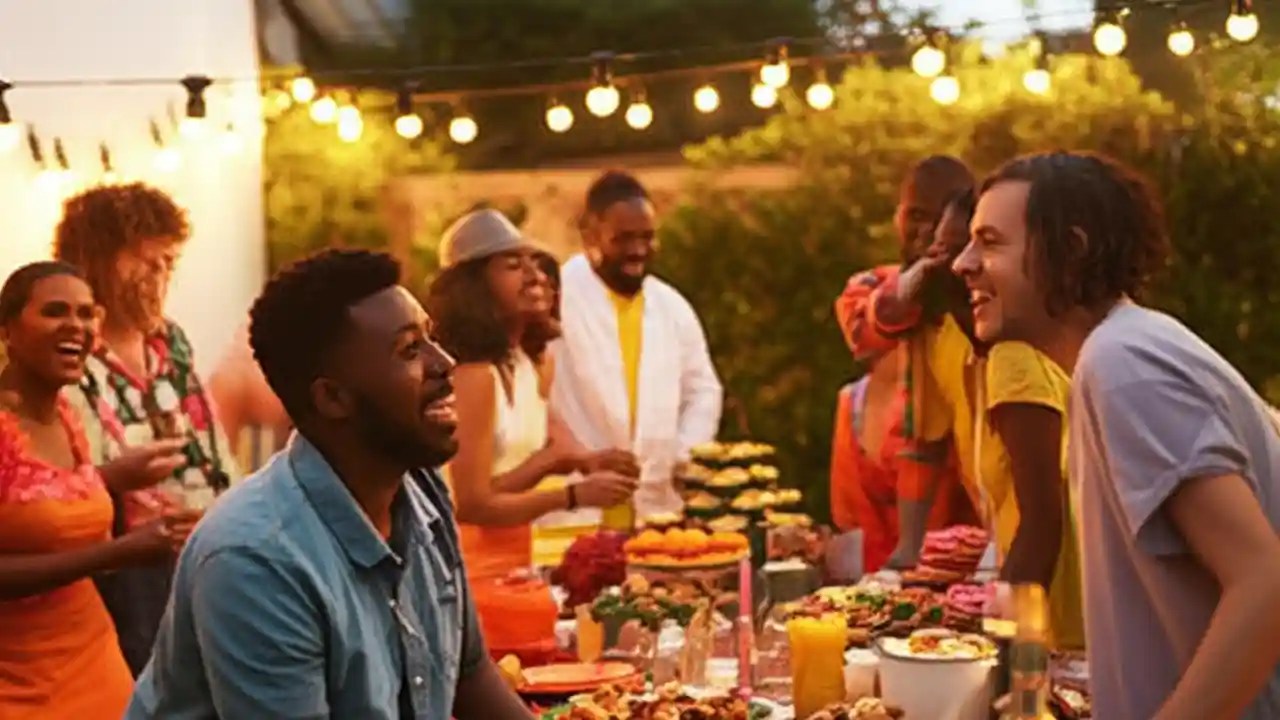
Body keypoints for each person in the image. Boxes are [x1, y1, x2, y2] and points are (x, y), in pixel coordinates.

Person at [126, 249, 532, 719]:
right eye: (409, 350)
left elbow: (470, 672)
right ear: (334, 398)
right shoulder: (257, 561)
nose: (443, 363)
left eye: (432, 339)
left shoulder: (421, 489)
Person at [954, 151, 1280, 719]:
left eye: (990, 241)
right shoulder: (1119, 355)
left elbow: (1265, 581)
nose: (962, 262)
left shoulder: (1124, 364)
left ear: (1071, 251)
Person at [839, 159, 1083, 650]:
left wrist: (1000, 640)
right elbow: (922, 441)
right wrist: (906, 560)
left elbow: (1043, 520)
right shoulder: (940, 333)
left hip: (1059, 615)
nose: (954, 265)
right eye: (944, 250)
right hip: (1015, 584)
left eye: (969, 248)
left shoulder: (1015, 358)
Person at [52, 182, 241, 675]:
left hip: (206, 555)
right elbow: (47, 485)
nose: (159, 276)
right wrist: (115, 476)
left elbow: (211, 441)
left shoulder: (169, 340)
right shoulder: (63, 351)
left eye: (168, 263)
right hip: (120, 572)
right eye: (144, 261)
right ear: (96, 260)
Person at [0, 261, 195, 720]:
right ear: (7, 329)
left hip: (96, 666)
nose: (76, 326)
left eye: (87, 314)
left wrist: (112, 476)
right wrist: (119, 553)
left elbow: (36, 499)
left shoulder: (67, 415)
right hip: (17, 686)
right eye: (54, 311)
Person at [424, 209, 639, 582]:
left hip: (516, 559)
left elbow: (552, 439)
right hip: (463, 569)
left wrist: (588, 460)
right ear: (474, 288)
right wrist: (572, 495)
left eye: (536, 263)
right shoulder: (473, 376)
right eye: (513, 265)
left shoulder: (532, 363)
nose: (535, 275)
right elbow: (471, 504)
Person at [552, 170, 723, 526]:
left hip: (657, 508)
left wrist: (681, 453)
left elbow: (703, 390)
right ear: (590, 235)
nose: (638, 250)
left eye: (647, 237)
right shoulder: (555, 299)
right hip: (573, 506)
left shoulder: (671, 306)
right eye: (623, 238)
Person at [829, 264, 972, 573]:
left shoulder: (944, 396)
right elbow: (847, 518)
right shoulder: (850, 402)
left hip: (953, 579)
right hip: (876, 593)